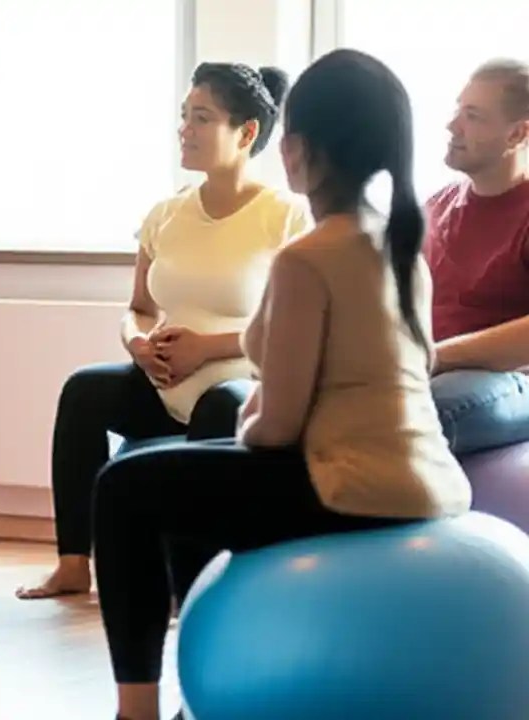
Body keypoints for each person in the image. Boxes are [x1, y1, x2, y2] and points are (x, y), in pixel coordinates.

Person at [91, 48, 473, 720]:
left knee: (124, 486)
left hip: (348, 488)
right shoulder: (400, 247)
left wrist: (245, 424)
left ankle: (136, 710)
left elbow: (277, 426)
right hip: (430, 481)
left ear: (295, 150)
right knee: (184, 473)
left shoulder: (306, 258)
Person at [16, 62, 311, 600]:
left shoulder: (286, 215)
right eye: (184, 115)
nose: (185, 129)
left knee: (219, 405)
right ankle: (73, 563)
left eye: (202, 118)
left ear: (246, 132)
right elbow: (140, 308)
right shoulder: (165, 214)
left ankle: (190, 582)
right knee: (83, 391)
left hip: (240, 386)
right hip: (162, 384)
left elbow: (293, 324)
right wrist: (135, 342)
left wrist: (208, 348)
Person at [424, 59, 529, 456]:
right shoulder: (435, 207)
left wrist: (435, 357)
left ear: (517, 134)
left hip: (508, 380)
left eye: (473, 116)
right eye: (458, 109)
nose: (453, 126)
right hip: (429, 368)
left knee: (439, 401)